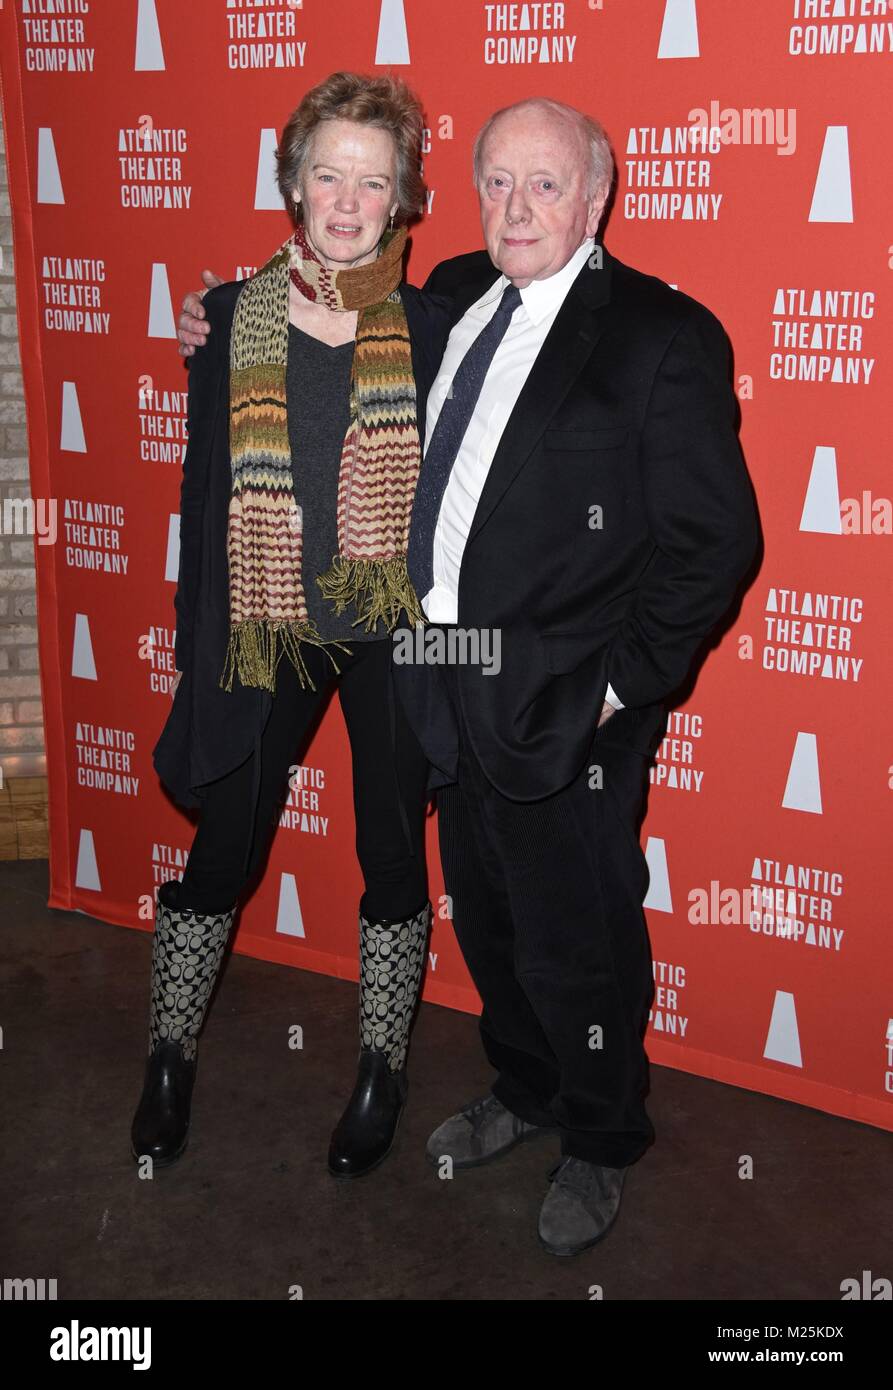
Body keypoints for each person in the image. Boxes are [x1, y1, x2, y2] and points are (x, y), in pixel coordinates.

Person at [393, 96, 760, 1256]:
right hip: (445, 673)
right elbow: (321, 299)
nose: (515, 207)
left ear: (595, 198)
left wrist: (613, 694)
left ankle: (601, 1135)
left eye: (542, 185)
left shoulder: (659, 335)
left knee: (578, 935)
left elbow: (715, 541)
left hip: (567, 705)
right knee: (491, 919)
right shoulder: (452, 292)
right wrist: (219, 320)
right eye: (494, 181)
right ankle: (526, 1085)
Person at [133, 72, 448, 1180]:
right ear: (294, 183)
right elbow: (197, 491)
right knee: (221, 848)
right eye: (329, 174)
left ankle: (379, 1068)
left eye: (374, 179)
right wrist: (192, 637)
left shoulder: (432, 322)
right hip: (267, 625)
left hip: (387, 630)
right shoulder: (225, 318)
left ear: (404, 196)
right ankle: (168, 1049)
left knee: (388, 852)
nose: (350, 200)